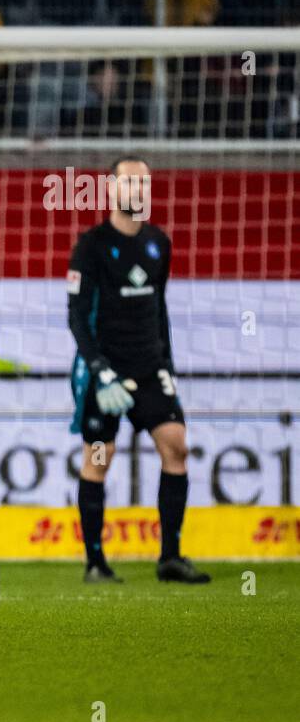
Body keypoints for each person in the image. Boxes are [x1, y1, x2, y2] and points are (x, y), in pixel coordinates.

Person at [66, 156, 210, 585]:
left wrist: (167, 364)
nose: (138, 190)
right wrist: (99, 369)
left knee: (176, 445)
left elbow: (158, 308)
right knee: (99, 457)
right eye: (129, 182)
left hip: (149, 367)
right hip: (104, 370)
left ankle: (170, 557)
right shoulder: (91, 246)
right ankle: (95, 562)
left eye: (144, 183)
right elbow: (76, 316)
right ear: (111, 189)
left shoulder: (158, 244)